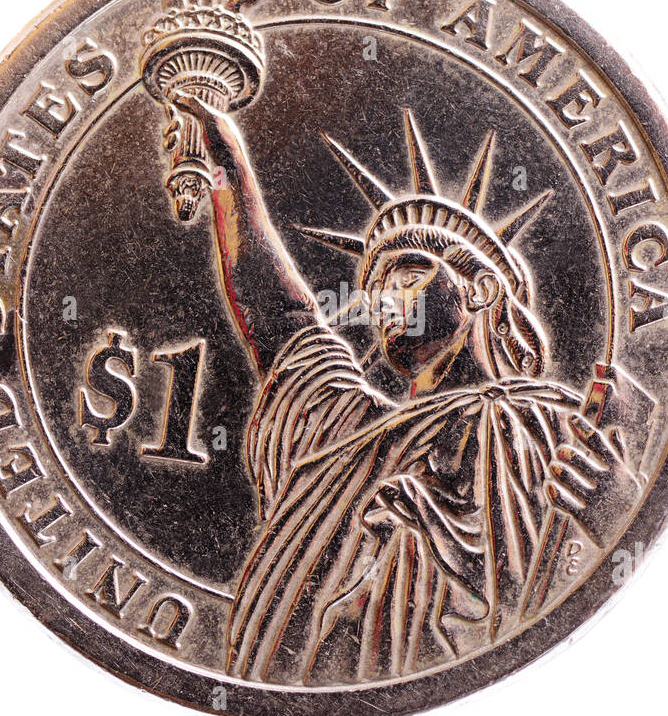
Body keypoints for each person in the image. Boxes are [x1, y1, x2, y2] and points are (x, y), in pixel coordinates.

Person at [168, 91, 635, 686]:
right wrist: (227, 168)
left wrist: (617, 504)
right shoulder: (349, 430)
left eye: (409, 272)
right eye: (375, 285)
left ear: (480, 292)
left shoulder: (548, 425)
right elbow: (282, 318)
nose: (382, 298)